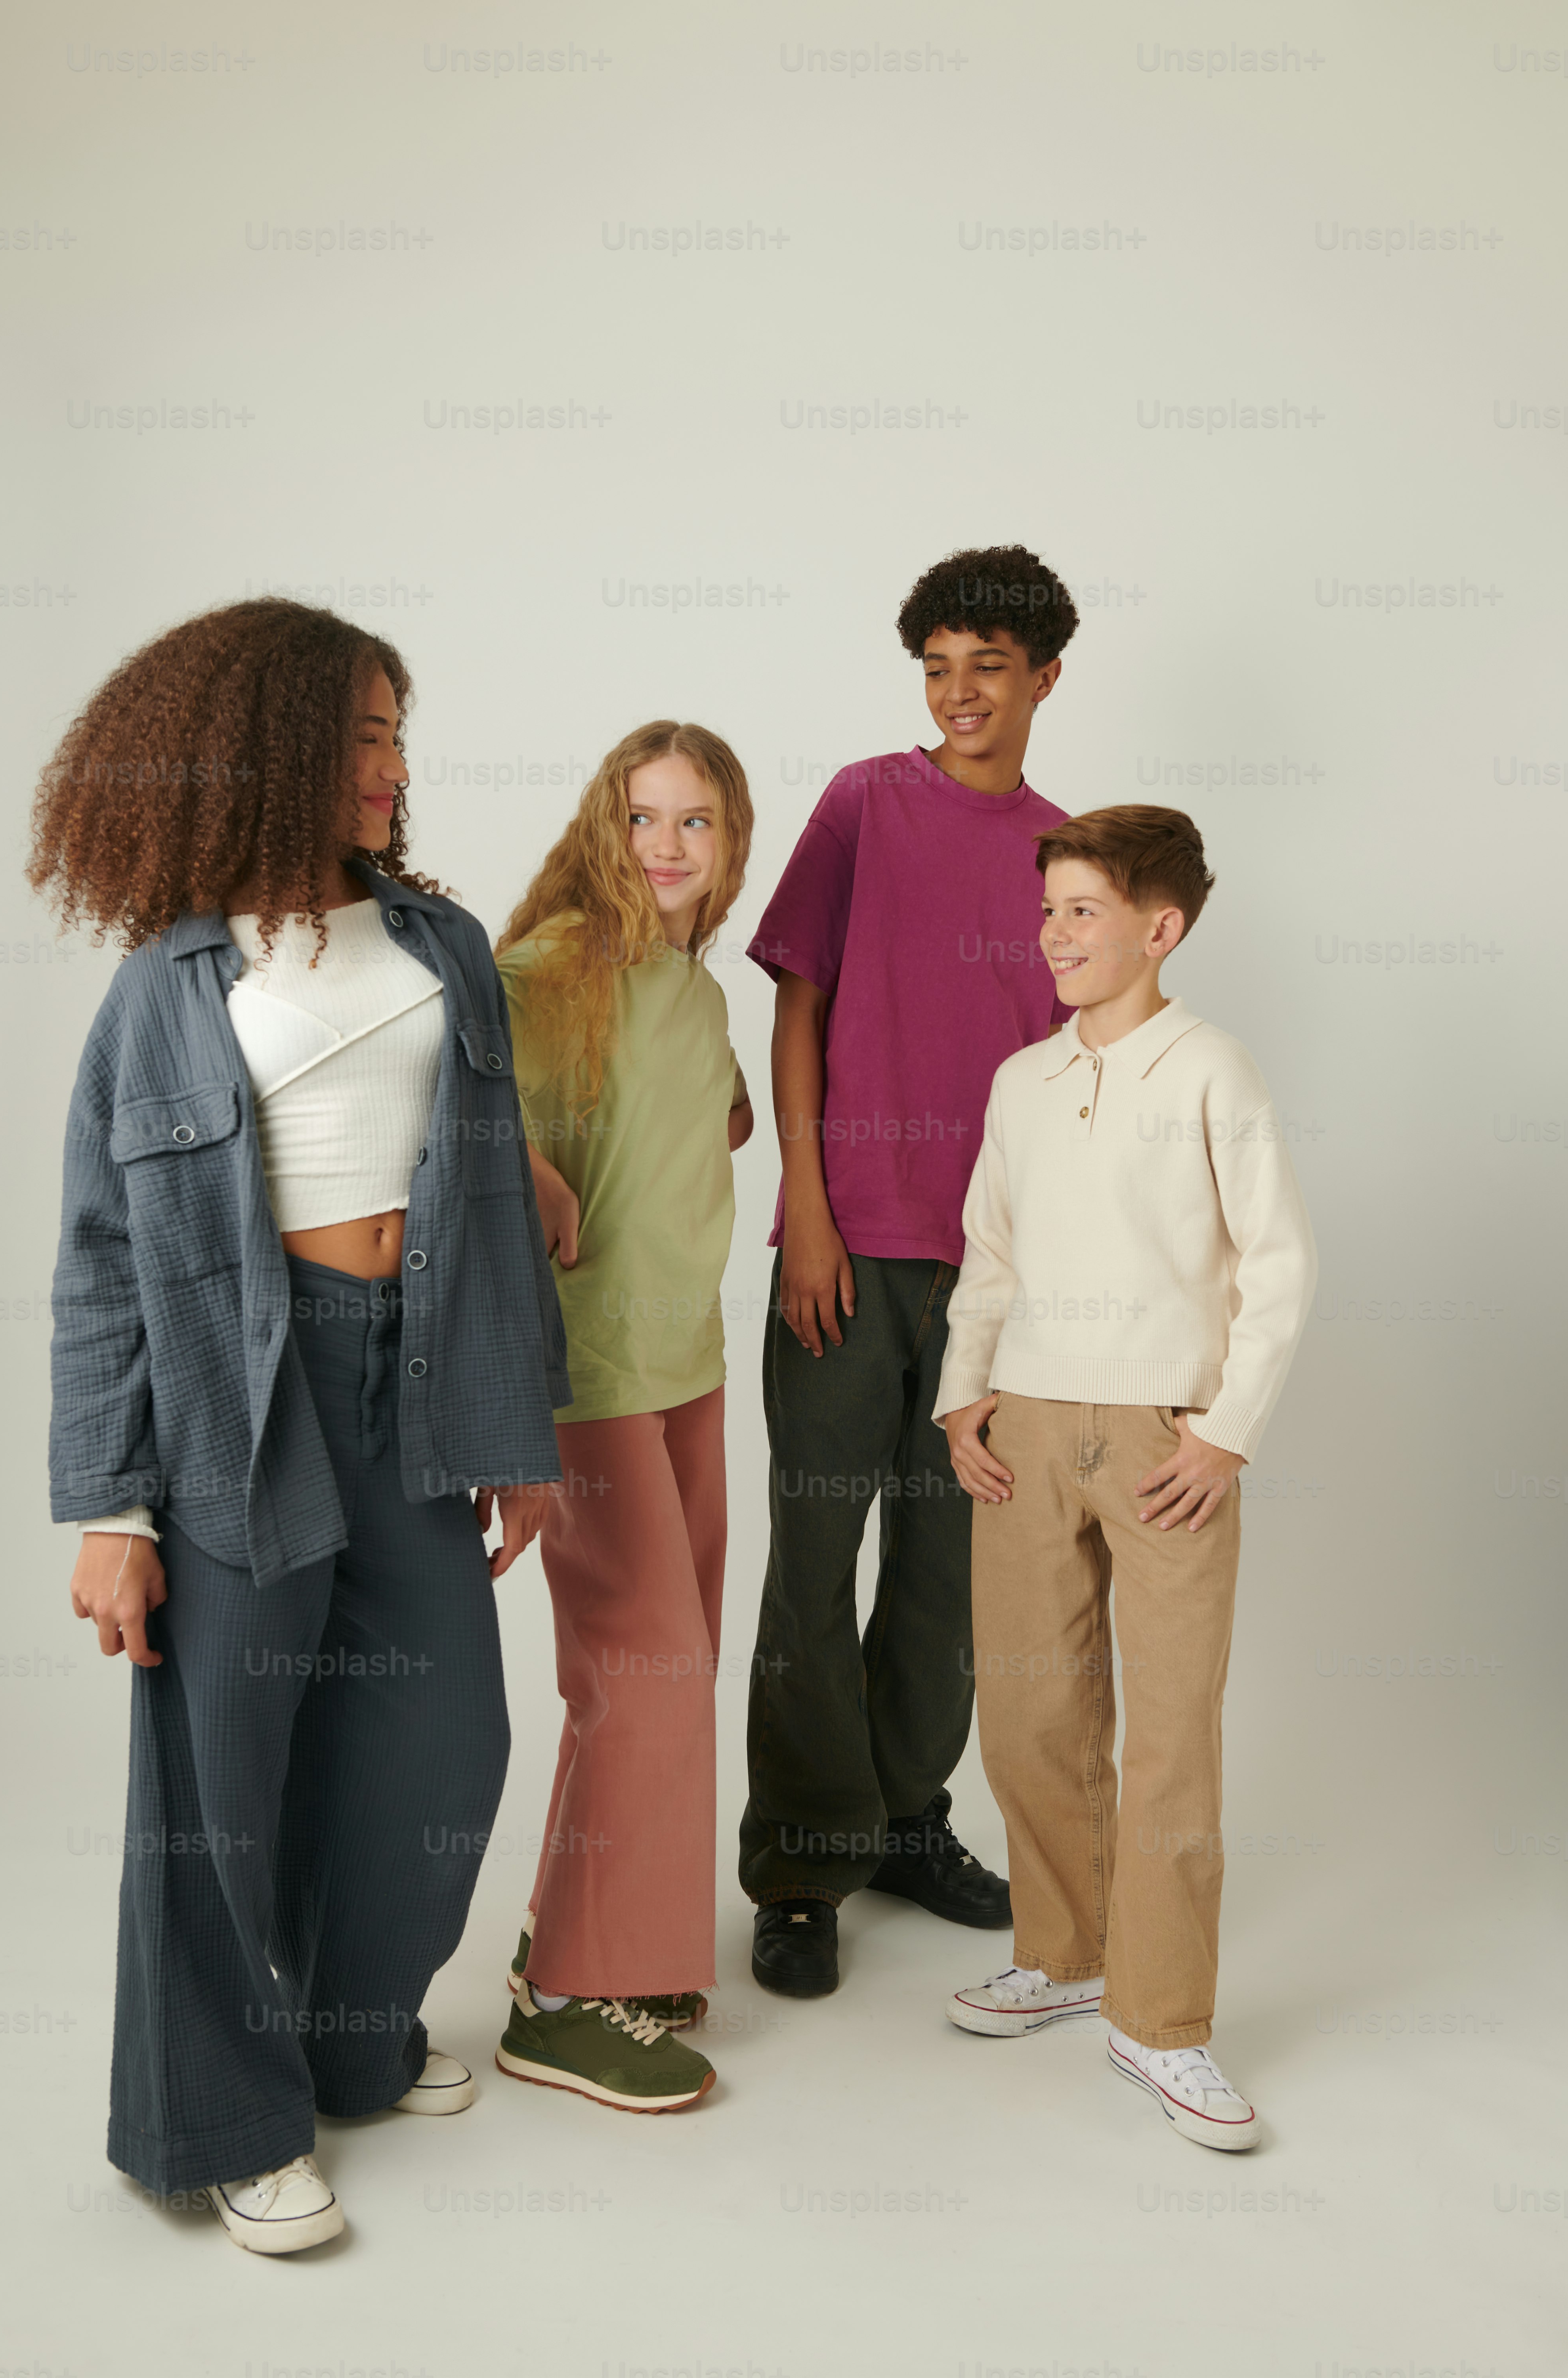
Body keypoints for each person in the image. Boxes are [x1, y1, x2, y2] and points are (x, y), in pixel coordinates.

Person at [34, 598, 569, 2252]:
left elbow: (490, 1184)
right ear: (270, 752)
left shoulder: (441, 947)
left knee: (445, 1736)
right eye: (360, 737)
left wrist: (515, 1425)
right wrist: (112, 1512)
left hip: (419, 1380)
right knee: (219, 1773)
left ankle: (352, 2040)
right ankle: (221, 2122)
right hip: (243, 1393)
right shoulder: (167, 984)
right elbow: (102, 1259)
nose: (392, 768)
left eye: (399, 735)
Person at [937, 805, 1317, 2151]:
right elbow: (990, 1253)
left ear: (1162, 928)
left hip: (1170, 1439)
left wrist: (1226, 1432)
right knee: (1027, 1712)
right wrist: (962, 1399)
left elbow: (1278, 1262)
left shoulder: (1213, 1069)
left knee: (1167, 1735)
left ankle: (1163, 2024)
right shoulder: (1022, 1083)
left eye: (1083, 911)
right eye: (1049, 911)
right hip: (1027, 1427)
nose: (1055, 936)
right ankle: (1067, 1953)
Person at [738, 545, 1077, 1998]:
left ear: (1045, 677)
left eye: (987, 668)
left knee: (950, 1574)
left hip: (995, 1276)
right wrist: (809, 1210)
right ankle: (803, 1863)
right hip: (851, 1247)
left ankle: (903, 1822)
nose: (958, 695)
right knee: (815, 1564)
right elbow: (799, 1008)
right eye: (937, 669)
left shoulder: (1069, 854)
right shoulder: (863, 803)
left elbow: (1071, 1075)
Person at [491, 721, 754, 2112]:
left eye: (695, 821)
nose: (667, 845)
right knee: (648, 1671)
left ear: (731, 841)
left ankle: (588, 1932)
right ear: (605, 826)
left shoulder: (700, 993)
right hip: (587, 1381)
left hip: (688, 1371)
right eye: (643, 818)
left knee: (661, 1672)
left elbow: (711, 1124)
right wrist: (519, 1154)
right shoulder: (543, 973)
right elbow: (447, 1112)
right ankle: (571, 2000)